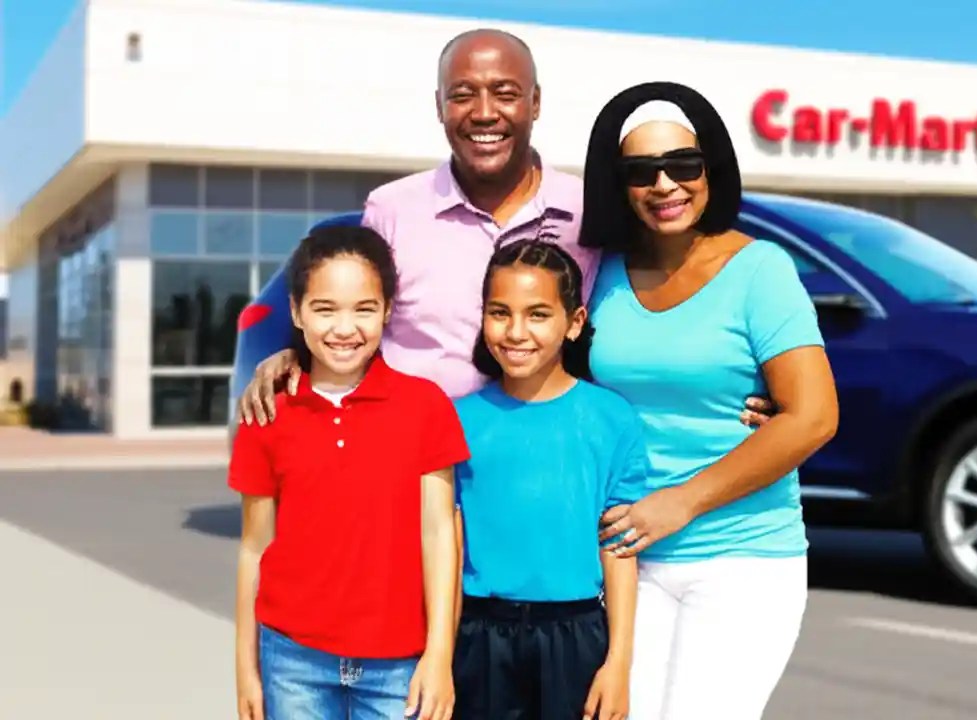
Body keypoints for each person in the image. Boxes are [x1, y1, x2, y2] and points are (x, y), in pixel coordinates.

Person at [235, 28, 774, 424]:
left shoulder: (590, 211)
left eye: (506, 93)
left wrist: (743, 385)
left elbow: (665, 294)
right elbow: (353, 316)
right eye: (463, 94)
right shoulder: (392, 210)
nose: (484, 112)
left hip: (544, 473)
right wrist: (294, 355)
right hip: (416, 476)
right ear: (440, 107)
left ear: (535, 104)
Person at [582, 82, 841, 719]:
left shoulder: (761, 270)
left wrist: (681, 502)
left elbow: (813, 416)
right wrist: (292, 349)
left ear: (711, 169)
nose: (665, 184)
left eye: (683, 165)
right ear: (618, 185)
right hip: (621, 560)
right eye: (641, 172)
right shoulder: (599, 271)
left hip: (742, 555)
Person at [230, 226, 466, 720]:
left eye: (364, 308)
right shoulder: (266, 412)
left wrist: (440, 655)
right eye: (324, 309)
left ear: (387, 311)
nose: (344, 328)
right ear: (296, 312)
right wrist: (246, 670)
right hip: (292, 662)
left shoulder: (425, 406)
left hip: (399, 667)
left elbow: (440, 533)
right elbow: (254, 546)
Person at [451, 238, 645, 720]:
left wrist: (618, 664)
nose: (516, 332)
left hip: (576, 637)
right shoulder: (457, 420)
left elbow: (618, 547)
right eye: (500, 313)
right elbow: (446, 543)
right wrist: (438, 654)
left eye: (538, 314)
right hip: (478, 636)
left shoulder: (612, 418)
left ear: (574, 323)